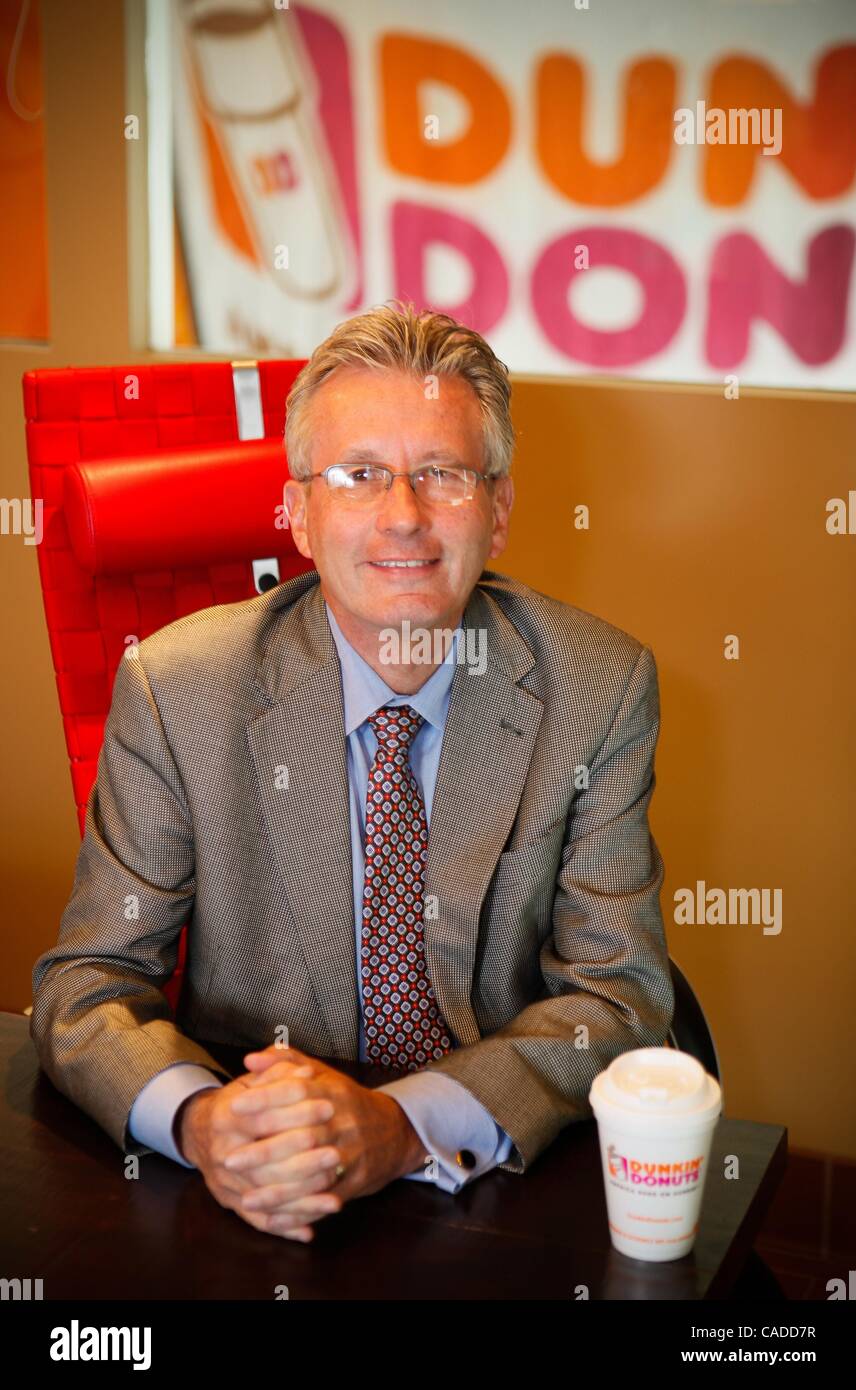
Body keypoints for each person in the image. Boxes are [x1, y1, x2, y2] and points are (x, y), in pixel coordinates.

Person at [31, 300, 674, 1243]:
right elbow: (86, 983)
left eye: (443, 475)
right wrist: (204, 1124)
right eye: (359, 474)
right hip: (255, 1167)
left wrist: (405, 1124)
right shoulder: (178, 689)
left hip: (486, 1182)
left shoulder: (600, 687)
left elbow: (621, 996)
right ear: (296, 512)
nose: (403, 517)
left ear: (498, 512)